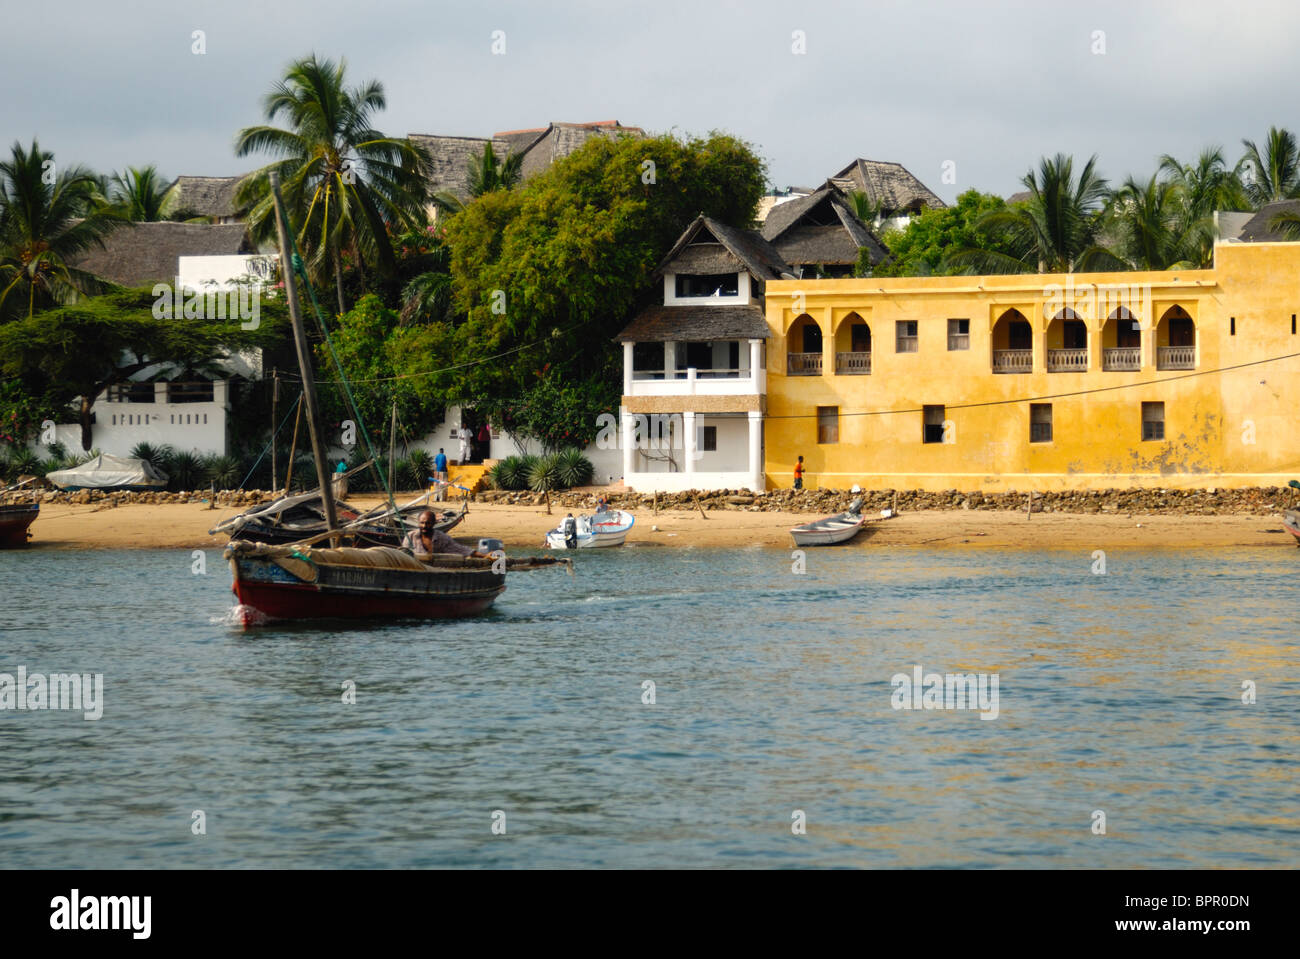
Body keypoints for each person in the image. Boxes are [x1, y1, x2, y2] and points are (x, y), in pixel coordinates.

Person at [401, 510, 491, 559]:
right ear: (418, 523)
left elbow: (461, 549)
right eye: (422, 523)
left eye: (427, 523)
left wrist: (485, 555)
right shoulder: (410, 536)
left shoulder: (441, 538)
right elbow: (403, 554)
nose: (424, 526)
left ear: (434, 523)